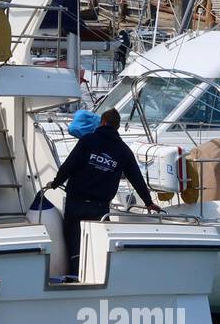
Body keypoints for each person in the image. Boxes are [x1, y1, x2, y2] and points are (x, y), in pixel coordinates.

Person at [48, 107, 161, 277]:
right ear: (117, 126)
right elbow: (136, 177)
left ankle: (73, 275)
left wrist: (56, 183)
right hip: (99, 207)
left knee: (73, 240)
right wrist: (148, 202)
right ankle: (89, 275)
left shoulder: (88, 140)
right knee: (92, 242)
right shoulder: (123, 150)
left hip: (76, 202)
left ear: (103, 122)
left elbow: (69, 165)